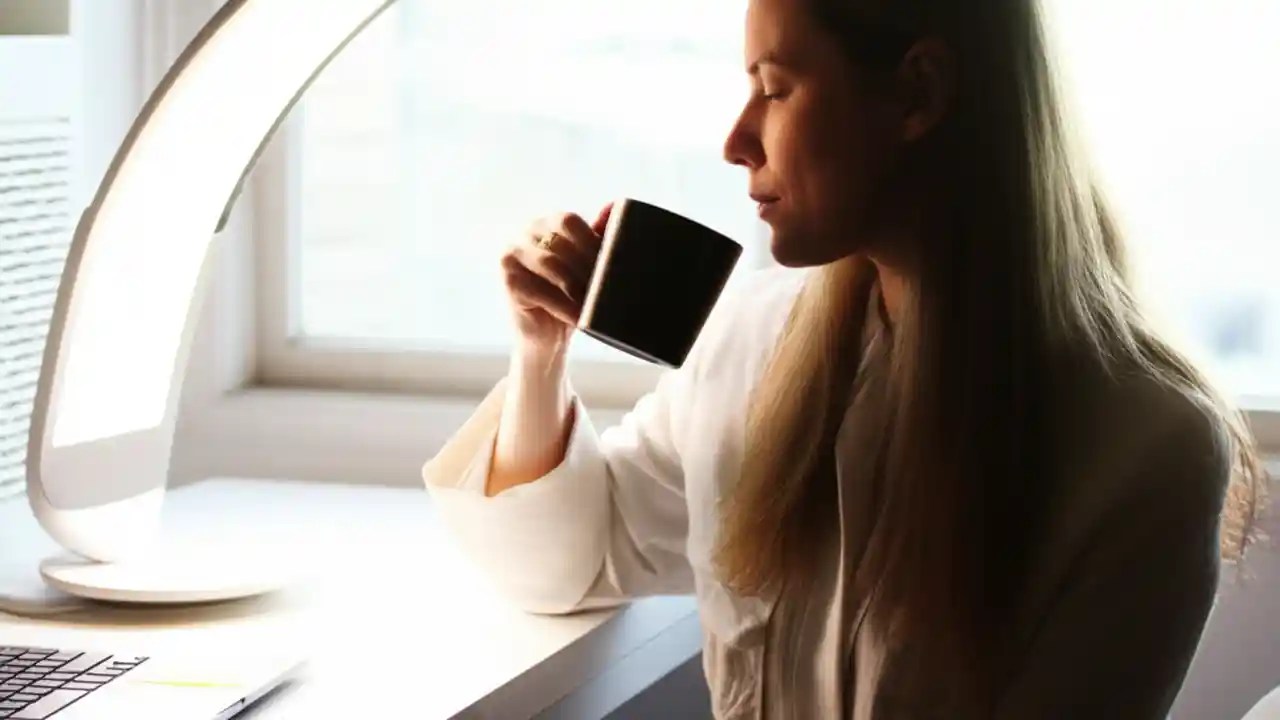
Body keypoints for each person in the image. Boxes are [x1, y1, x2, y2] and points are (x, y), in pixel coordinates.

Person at [423, 0, 1268, 717]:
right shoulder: (749, 343)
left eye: (774, 89)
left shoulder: (1147, 449)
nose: (735, 141)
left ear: (917, 92)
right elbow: (566, 564)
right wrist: (540, 355)